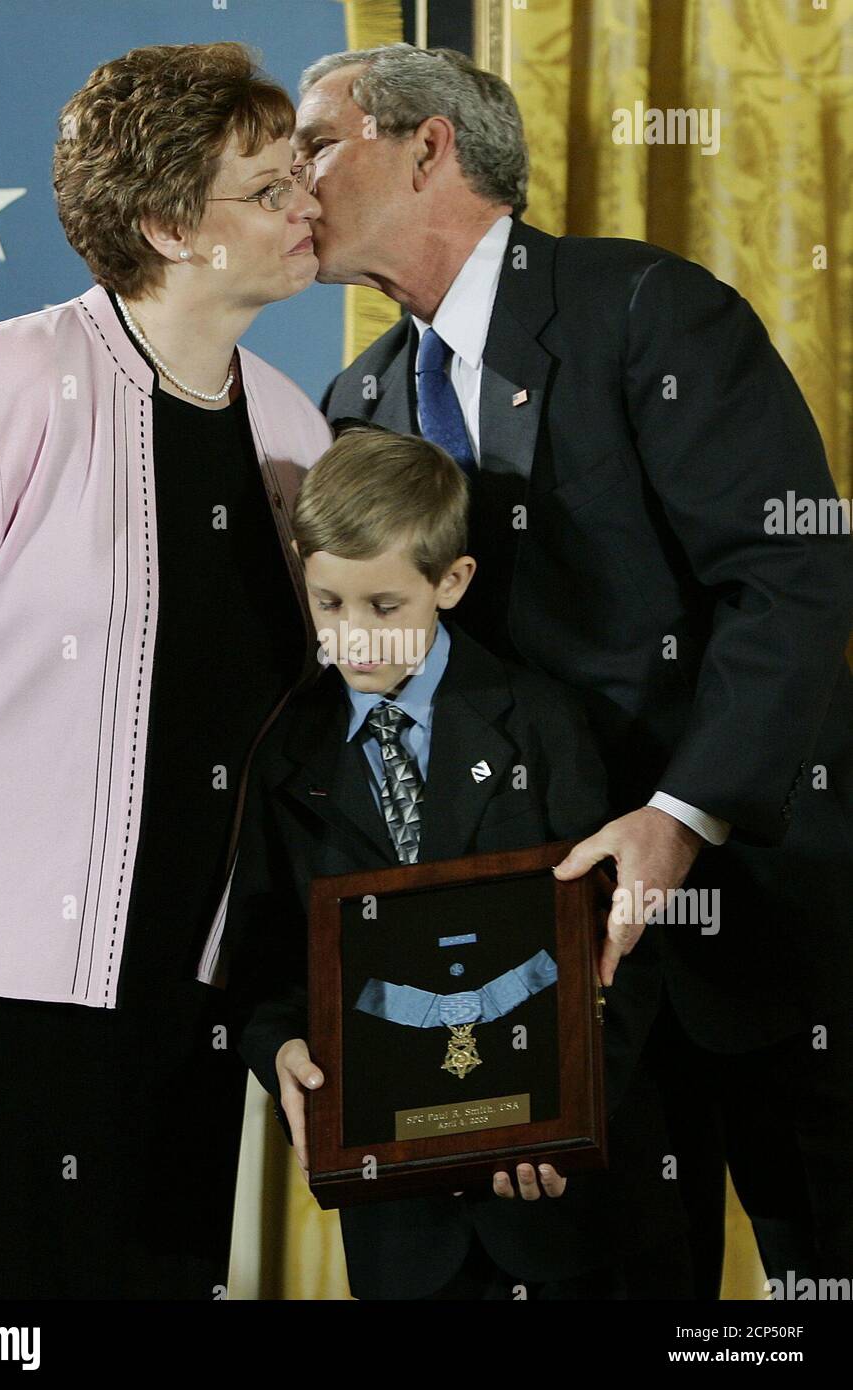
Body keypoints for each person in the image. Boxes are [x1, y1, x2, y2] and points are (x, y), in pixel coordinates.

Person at [292, 43, 853, 1295]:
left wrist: (680, 815)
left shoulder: (648, 309)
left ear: (427, 144)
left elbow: (793, 576)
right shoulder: (361, 401)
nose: (295, 177)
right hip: (553, 982)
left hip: (757, 926)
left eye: (318, 142)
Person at [0, 41, 330, 1299]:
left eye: (300, 173)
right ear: (165, 224)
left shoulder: (296, 430)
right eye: (268, 188)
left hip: (183, 1008)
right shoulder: (6, 382)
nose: (308, 206)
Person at [225, 428, 692, 1301]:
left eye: (384, 607)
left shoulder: (544, 722)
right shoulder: (286, 752)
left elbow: (625, 946)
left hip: (569, 1218)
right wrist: (279, 1046)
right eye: (328, 604)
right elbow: (264, 958)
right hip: (403, 1234)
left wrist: (570, 1113)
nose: (354, 640)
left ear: (452, 581)